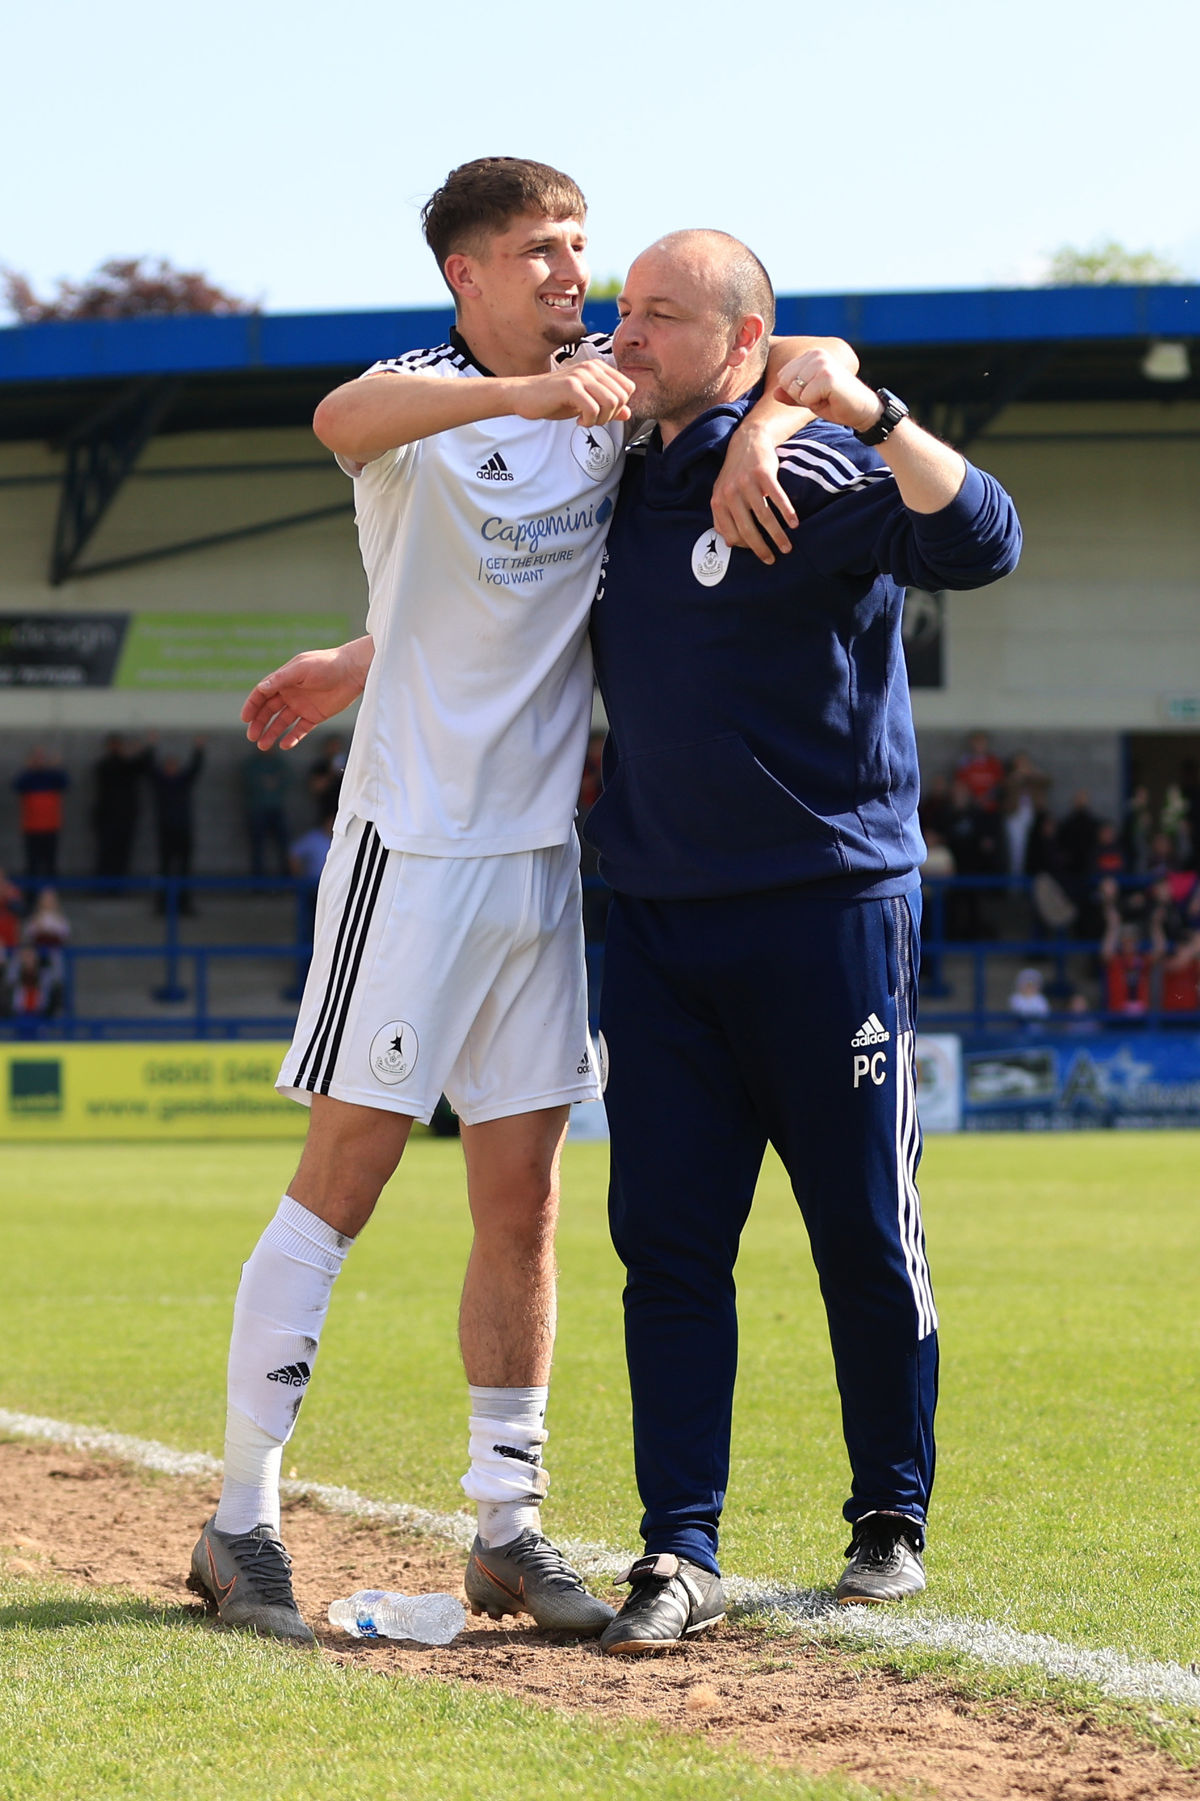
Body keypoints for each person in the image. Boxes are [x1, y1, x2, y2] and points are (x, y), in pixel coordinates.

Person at [190, 156, 854, 1647]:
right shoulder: (425, 395)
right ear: (466, 276)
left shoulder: (613, 394)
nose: (575, 274)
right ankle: (239, 1521)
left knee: (526, 1201)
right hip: (411, 856)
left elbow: (804, 351)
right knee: (344, 1178)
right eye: (542, 251)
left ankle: (507, 1529)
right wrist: (521, 403)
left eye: (581, 247)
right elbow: (339, 422)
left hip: (545, 869)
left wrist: (780, 422)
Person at [580, 231, 1020, 1653]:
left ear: (741, 332)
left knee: (862, 1235)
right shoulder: (607, 475)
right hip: (649, 924)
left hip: (823, 916)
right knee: (665, 1247)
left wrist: (860, 411)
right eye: (620, 310)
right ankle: (677, 1548)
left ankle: (889, 1514)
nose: (624, 335)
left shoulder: (812, 471)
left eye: (659, 315)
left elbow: (984, 540)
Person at [148, 740, 205, 914]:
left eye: (174, 765)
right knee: (164, 869)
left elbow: (195, 770)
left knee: (185, 869)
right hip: (166, 830)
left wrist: (198, 750)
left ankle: (184, 904)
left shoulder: (182, 782)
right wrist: (151, 746)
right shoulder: (161, 783)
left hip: (183, 829)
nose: (172, 769)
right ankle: (163, 904)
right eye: (169, 765)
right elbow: (151, 769)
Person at [91, 734, 152, 879]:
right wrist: (129, 755)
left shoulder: (128, 765)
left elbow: (144, 766)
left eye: (119, 745)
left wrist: (146, 749)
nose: (117, 748)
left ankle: (119, 885)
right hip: (107, 816)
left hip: (126, 815)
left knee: (123, 851)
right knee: (106, 851)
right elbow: (118, 768)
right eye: (114, 745)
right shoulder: (105, 765)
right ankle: (103, 884)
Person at [12, 747, 69, 882]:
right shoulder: (28, 778)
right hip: (32, 828)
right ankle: (31, 897)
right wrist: (29, 768)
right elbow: (17, 785)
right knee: (32, 864)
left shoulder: (53, 777)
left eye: (41, 758)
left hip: (51, 827)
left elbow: (65, 782)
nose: (39, 761)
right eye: (36, 758)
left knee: (51, 864)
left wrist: (56, 767)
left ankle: (50, 897)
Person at [241, 744, 293, 879]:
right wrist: (263, 782)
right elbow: (247, 781)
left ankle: (285, 878)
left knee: (283, 844)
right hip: (257, 808)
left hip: (277, 808)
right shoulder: (252, 764)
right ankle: (258, 881)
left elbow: (287, 779)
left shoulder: (278, 763)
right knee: (258, 846)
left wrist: (275, 782)